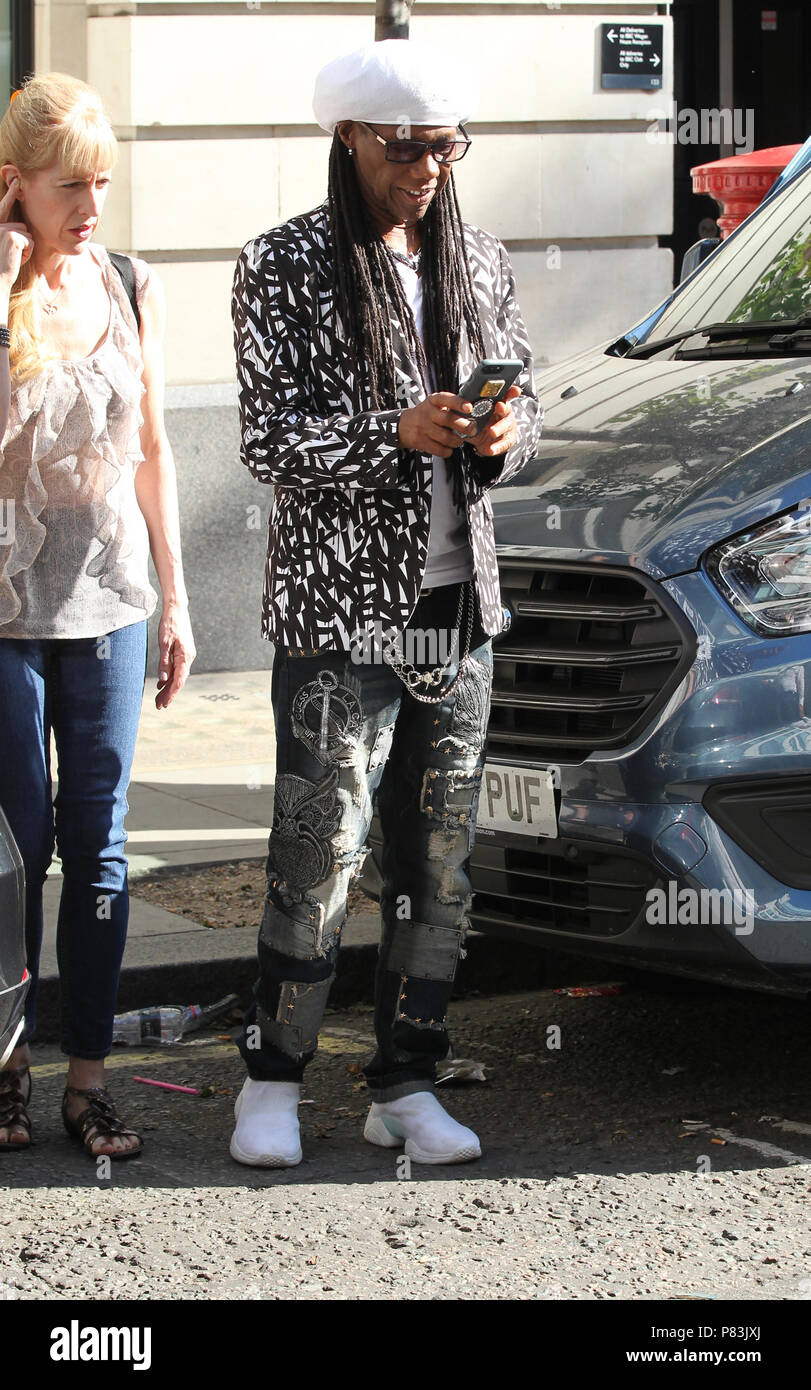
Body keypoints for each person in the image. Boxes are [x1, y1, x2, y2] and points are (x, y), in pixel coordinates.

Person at [231, 39, 542, 1167]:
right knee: (319, 848)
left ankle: (405, 1079)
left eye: (445, 148)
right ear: (350, 139)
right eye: (406, 148)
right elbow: (268, 439)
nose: (427, 170)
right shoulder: (284, 261)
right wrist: (392, 431)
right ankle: (270, 1076)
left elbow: (527, 395)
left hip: (458, 607)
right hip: (337, 612)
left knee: (437, 861)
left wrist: (507, 430)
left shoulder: (480, 257)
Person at [0, 74, 195, 1158]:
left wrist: (174, 598)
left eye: (102, 183)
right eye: (69, 185)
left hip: (112, 595)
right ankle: (6, 1067)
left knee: (102, 845)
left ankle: (87, 1080)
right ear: (13, 187)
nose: (89, 206)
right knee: (17, 846)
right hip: (7, 603)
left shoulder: (129, 282)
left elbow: (155, 446)